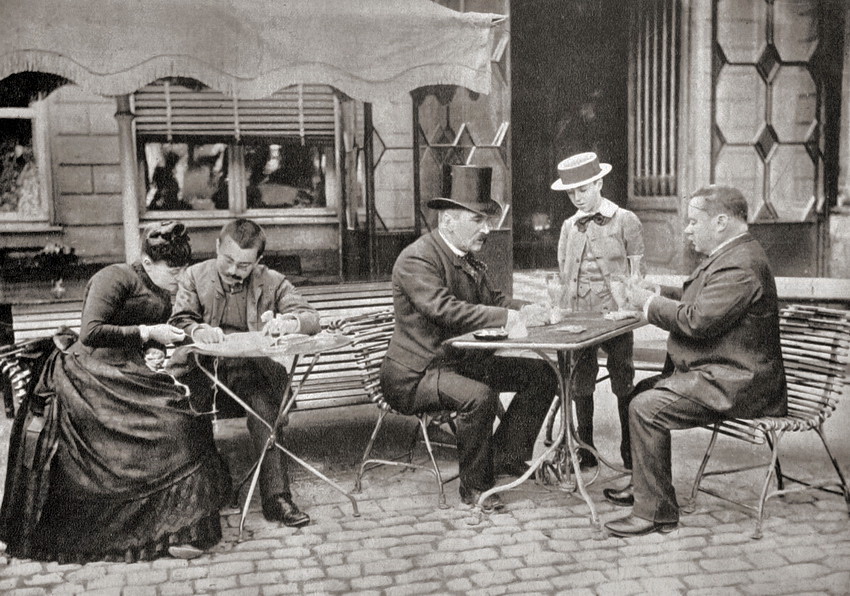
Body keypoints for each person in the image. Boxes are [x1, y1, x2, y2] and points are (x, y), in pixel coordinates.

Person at [0, 222, 231, 562]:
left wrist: (154, 346)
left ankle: (183, 529)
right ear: (148, 262)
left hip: (126, 374)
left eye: (181, 272)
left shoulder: (163, 288)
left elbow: (146, 335)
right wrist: (146, 331)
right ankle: (147, 530)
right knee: (166, 428)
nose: (177, 280)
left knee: (186, 419)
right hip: (86, 377)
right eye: (172, 272)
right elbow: (91, 332)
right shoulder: (114, 277)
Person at [603, 185, 788, 537]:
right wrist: (657, 294)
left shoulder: (741, 265)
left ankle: (656, 512)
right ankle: (645, 484)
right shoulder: (731, 256)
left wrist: (646, 303)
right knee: (637, 392)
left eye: (692, 222)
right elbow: (702, 302)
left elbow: (698, 321)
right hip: (723, 374)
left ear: (720, 222)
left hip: (738, 384)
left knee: (646, 406)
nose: (686, 229)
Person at [380, 164, 558, 512]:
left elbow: (493, 301)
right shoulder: (417, 258)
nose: (487, 229)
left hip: (461, 363)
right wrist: (509, 317)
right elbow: (445, 310)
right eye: (477, 220)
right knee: (479, 397)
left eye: (487, 220)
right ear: (448, 221)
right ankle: (474, 488)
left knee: (542, 376)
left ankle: (504, 457)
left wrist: (533, 309)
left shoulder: (465, 257)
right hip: (417, 374)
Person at [169, 218, 320, 527]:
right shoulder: (194, 277)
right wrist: (197, 329)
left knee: (264, 405)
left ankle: (277, 498)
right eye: (228, 260)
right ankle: (201, 500)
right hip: (202, 369)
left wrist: (288, 323)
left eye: (244, 265)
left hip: (250, 371)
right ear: (216, 248)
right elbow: (178, 321)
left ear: (258, 262)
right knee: (187, 411)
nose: (233, 270)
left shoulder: (273, 281)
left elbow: (310, 318)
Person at [553, 152, 645, 472]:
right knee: (581, 381)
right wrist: (561, 312)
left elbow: (636, 273)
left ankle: (630, 448)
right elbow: (564, 274)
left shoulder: (625, 220)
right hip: (580, 317)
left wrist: (630, 309)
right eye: (571, 192)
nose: (577, 198)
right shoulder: (569, 226)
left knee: (623, 378)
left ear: (599, 183)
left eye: (583, 189)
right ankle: (586, 447)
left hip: (615, 316)